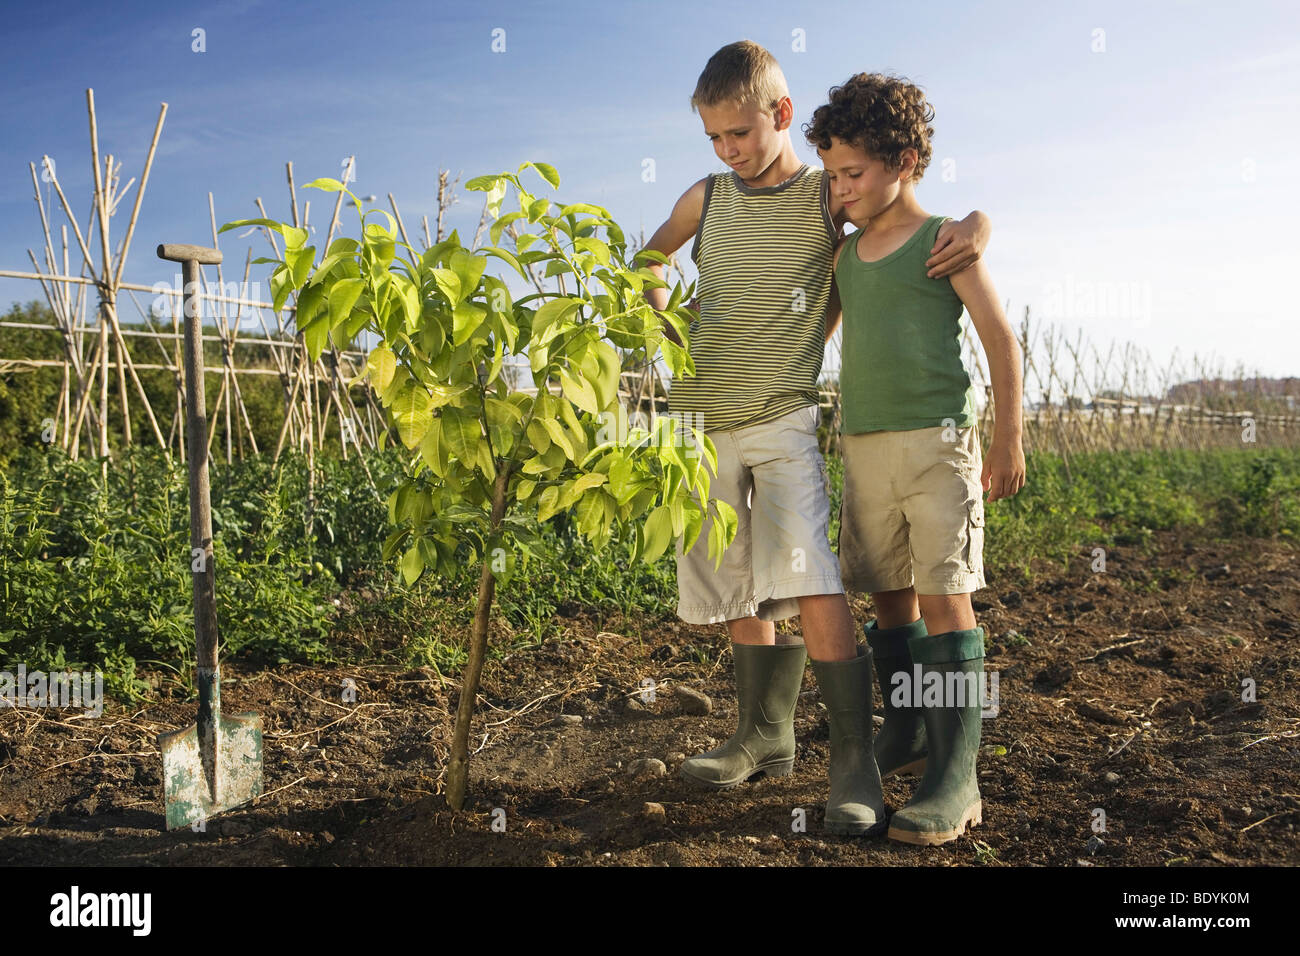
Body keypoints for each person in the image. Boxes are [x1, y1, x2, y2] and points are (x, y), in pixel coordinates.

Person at [640, 40, 991, 835]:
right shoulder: (708, 197)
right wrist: (660, 303)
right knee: (732, 578)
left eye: (739, 134)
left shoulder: (822, 196)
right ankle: (762, 735)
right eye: (714, 139)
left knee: (809, 573)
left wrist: (978, 221)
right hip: (699, 418)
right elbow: (647, 256)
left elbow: (900, 204)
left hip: (783, 412)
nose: (728, 150)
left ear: (782, 115)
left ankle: (853, 761)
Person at [805, 72, 1026, 844]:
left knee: (942, 596)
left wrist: (1007, 438)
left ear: (903, 160)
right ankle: (907, 730)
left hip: (937, 445)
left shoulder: (946, 243)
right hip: (864, 447)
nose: (840, 189)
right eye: (831, 176)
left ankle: (955, 777)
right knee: (886, 595)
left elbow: (1000, 338)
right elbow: (811, 339)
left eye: (852, 174)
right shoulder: (844, 259)